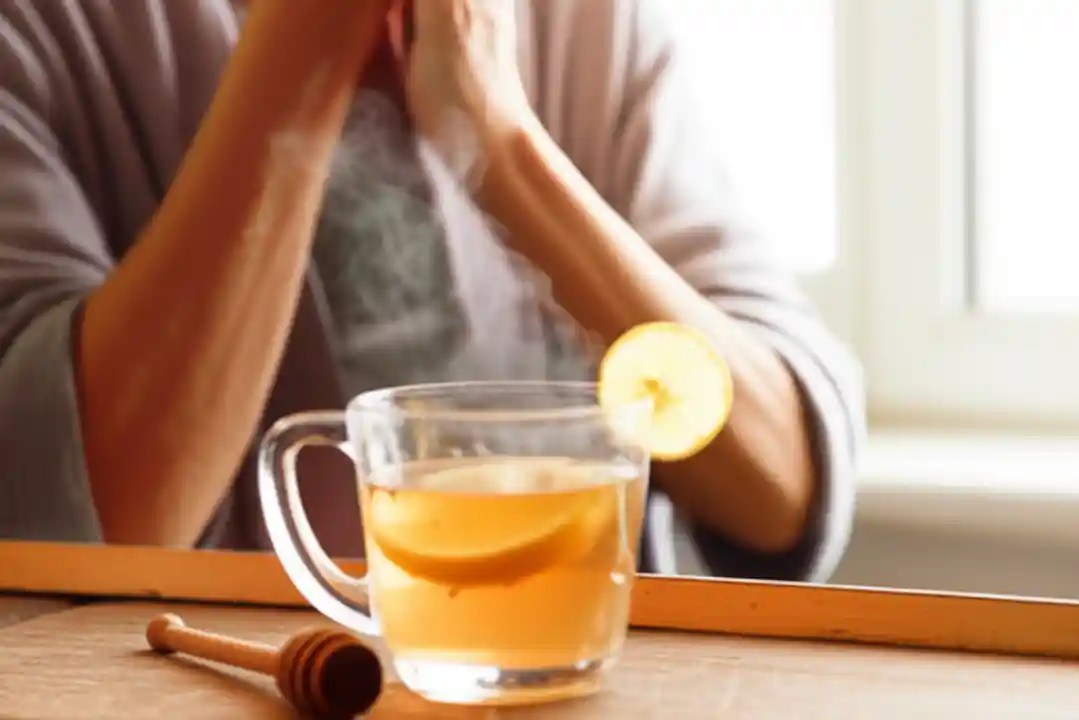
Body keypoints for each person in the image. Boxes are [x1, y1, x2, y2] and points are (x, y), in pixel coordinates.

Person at [0, 0, 864, 582]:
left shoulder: (580, 20)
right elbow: (84, 526)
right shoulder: (37, 30)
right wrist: (305, 50)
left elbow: (779, 486)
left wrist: (500, 135)